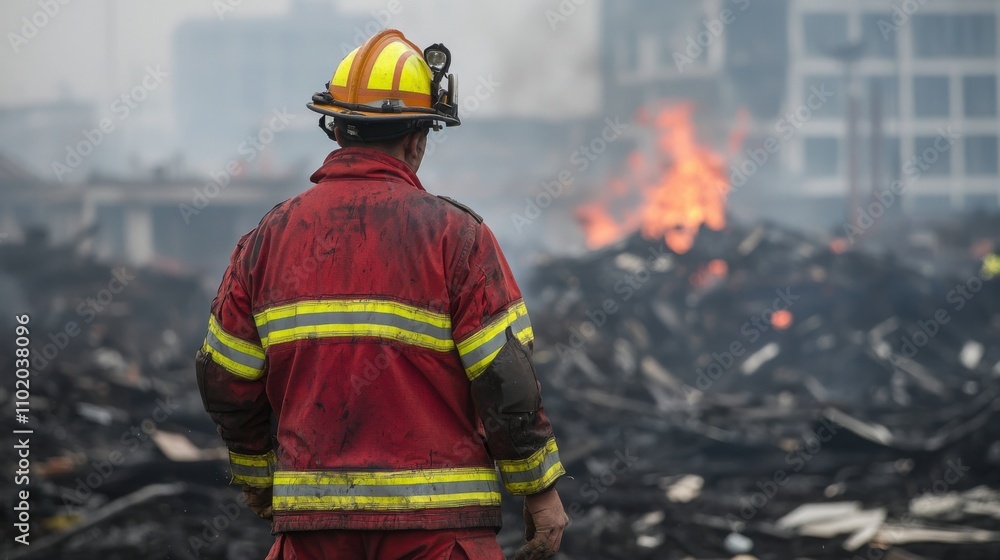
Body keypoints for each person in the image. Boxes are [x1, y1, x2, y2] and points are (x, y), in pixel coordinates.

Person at [196, 29, 568, 560]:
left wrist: (259, 476)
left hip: (313, 535)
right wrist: (540, 491)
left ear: (339, 130)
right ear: (418, 138)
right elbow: (504, 377)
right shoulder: (456, 237)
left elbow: (222, 376)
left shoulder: (267, 239)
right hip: (439, 533)